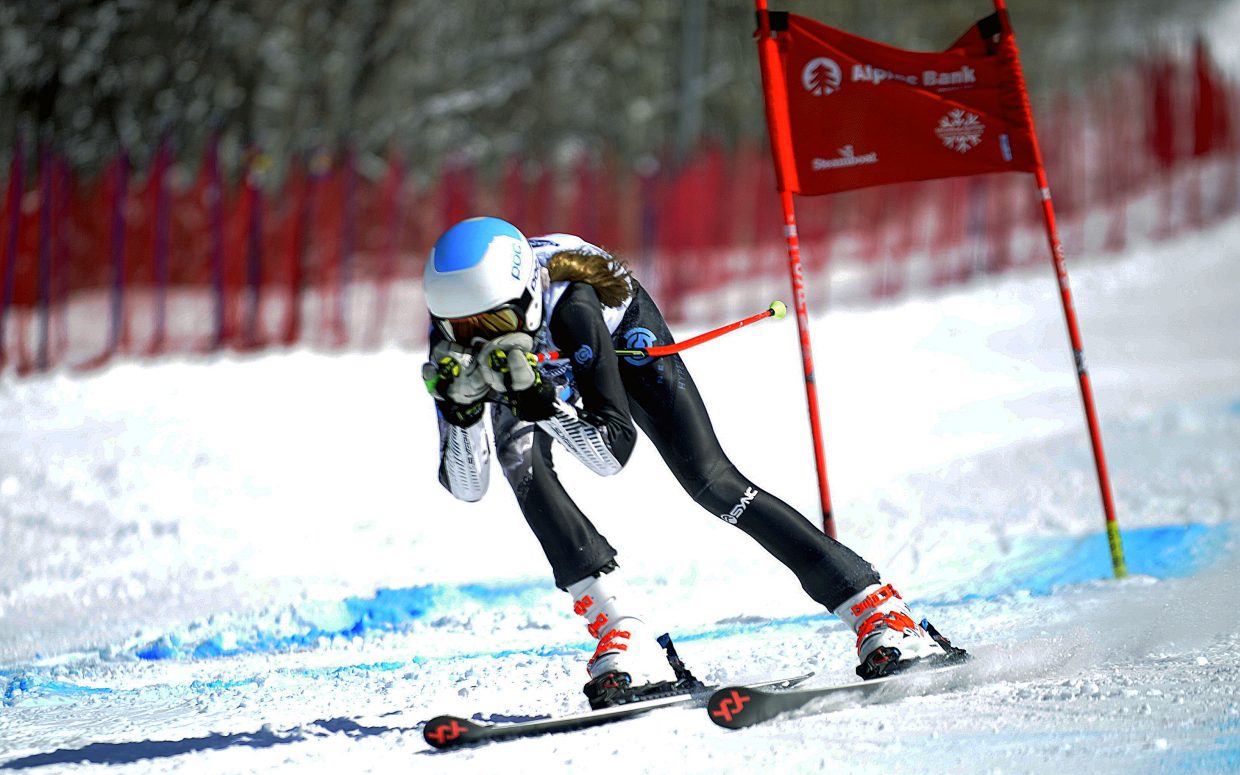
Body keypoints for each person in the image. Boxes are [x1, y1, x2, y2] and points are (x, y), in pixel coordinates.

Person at [422, 216, 965, 709]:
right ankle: (626, 631)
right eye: (461, 330)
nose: (478, 338)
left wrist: (548, 405)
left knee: (712, 482)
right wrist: (462, 412)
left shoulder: (574, 304)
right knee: (526, 470)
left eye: (492, 321)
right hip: (543, 368)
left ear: (526, 296)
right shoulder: (456, 327)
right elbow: (468, 487)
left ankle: (877, 608)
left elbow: (612, 454)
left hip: (616, 339)